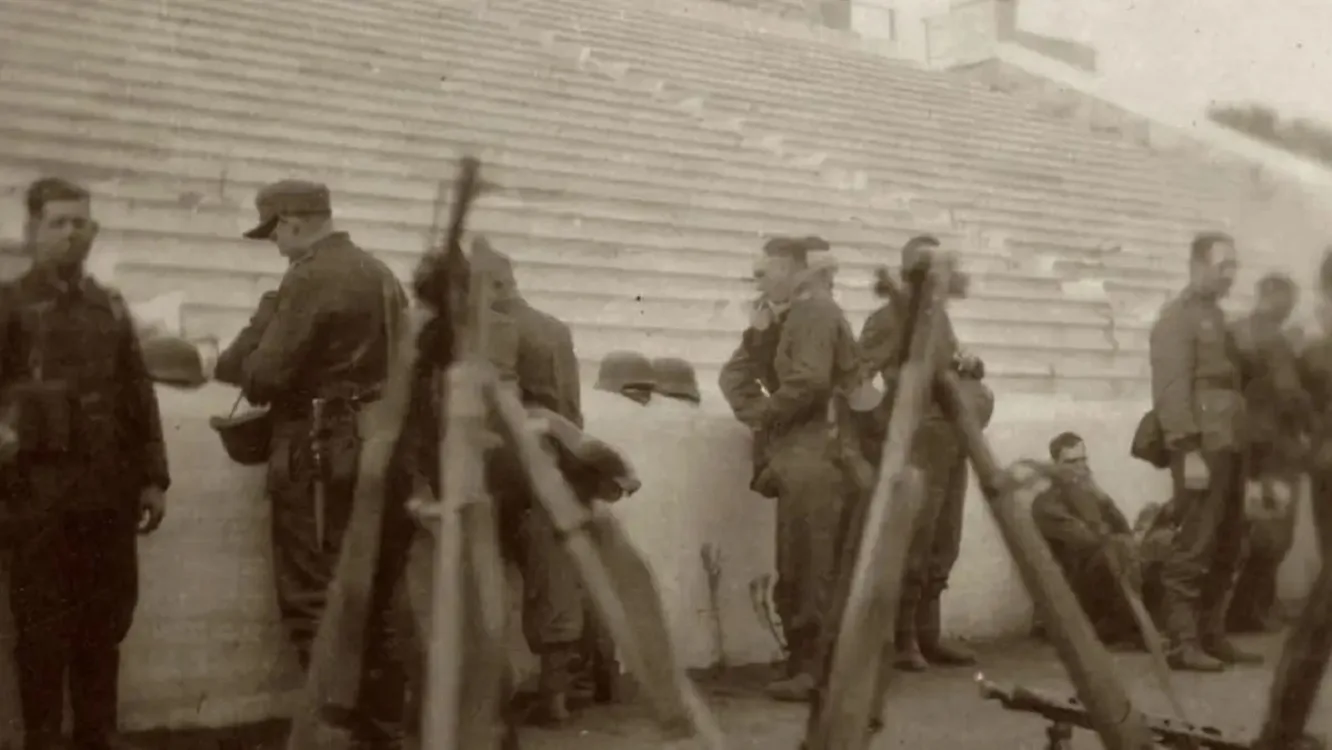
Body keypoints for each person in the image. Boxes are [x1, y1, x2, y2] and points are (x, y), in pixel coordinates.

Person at [214, 179, 412, 748]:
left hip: (320, 451)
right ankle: (384, 731)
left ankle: (333, 732)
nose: (275, 243)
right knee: (377, 594)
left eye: (273, 230)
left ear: (292, 222)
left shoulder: (308, 275)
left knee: (312, 594)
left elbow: (261, 377)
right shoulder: (380, 273)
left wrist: (259, 331)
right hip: (382, 448)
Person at [0, 177, 170, 750]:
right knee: (42, 633)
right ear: (32, 231)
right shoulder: (9, 305)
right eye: (58, 223)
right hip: (37, 502)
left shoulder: (110, 308)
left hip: (107, 497)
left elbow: (138, 394)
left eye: (81, 223)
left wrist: (152, 478)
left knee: (105, 627)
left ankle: (97, 736)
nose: (71, 234)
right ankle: (43, 740)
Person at [718, 235, 863, 702]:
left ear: (792, 270)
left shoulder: (814, 312)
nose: (757, 281)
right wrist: (760, 338)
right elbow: (734, 375)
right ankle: (811, 664)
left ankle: (812, 669)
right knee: (804, 562)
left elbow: (810, 381)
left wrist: (764, 416)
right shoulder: (787, 317)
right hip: (803, 454)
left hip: (819, 455)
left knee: (808, 564)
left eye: (764, 273)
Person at [857, 235, 979, 672]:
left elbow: (944, 364)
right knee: (915, 540)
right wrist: (890, 427)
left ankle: (929, 635)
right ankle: (902, 639)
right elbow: (863, 378)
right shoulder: (887, 318)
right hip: (915, 443)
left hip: (948, 439)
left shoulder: (937, 317)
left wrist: (967, 367)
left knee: (944, 540)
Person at [1147, 231, 1260, 672]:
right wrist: (1186, 449)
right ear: (1196, 265)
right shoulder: (1176, 319)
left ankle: (1212, 634)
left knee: (1229, 544)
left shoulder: (1219, 318)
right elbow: (1172, 390)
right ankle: (1181, 642)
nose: (1230, 274)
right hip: (1202, 447)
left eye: (1234, 265)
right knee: (1194, 543)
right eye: (1222, 265)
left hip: (1230, 443)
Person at [1228, 273, 1307, 633]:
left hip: (1245, 446)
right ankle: (1248, 610)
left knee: (1255, 529)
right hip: (1274, 448)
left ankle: (1255, 606)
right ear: (1271, 296)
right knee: (1274, 534)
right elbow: (1289, 394)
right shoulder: (1273, 339)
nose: (1291, 309)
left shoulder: (1237, 331)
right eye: (1288, 301)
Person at [1032, 432, 1142, 647]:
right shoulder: (1047, 504)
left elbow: (1124, 528)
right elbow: (1089, 541)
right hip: (1073, 590)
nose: (1080, 468)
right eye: (1071, 462)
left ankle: (1134, 627)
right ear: (1056, 466)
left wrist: (1101, 497)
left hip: (1100, 579)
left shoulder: (1092, 495)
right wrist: (1088, 499)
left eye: (1083, 460)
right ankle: (1126, 629)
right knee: (1119, 548)